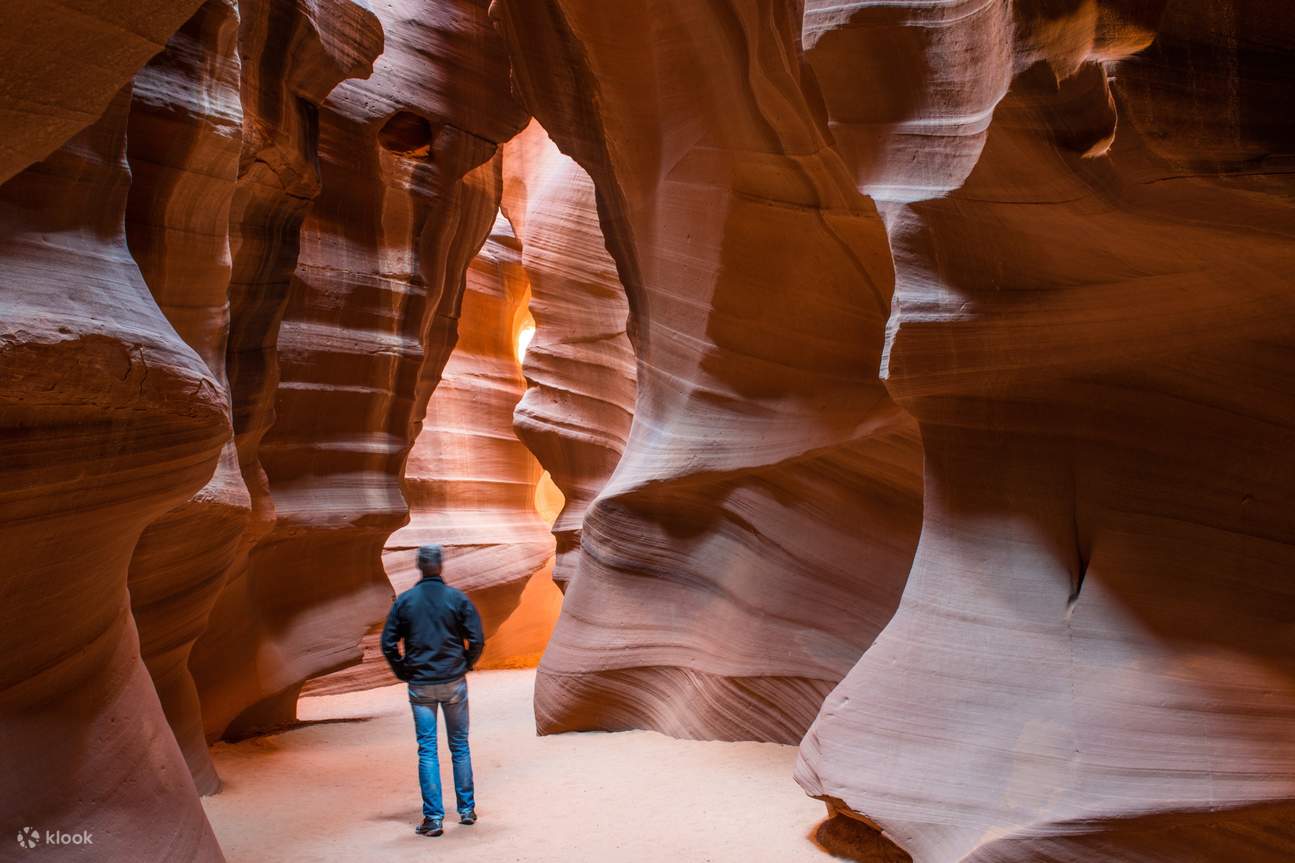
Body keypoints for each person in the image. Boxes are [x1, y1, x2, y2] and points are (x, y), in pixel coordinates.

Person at [381, 544, 485, 837]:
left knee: (427, 749)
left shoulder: (405, 601)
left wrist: (403, 670)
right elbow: (476, 638)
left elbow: (388, 643)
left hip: (421, 685)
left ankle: (434, 819)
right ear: (440, 566)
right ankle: (466, 810)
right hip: (453, 681)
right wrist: (466, 663)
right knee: (460, 746)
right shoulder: (457, 599)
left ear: (419, 566)